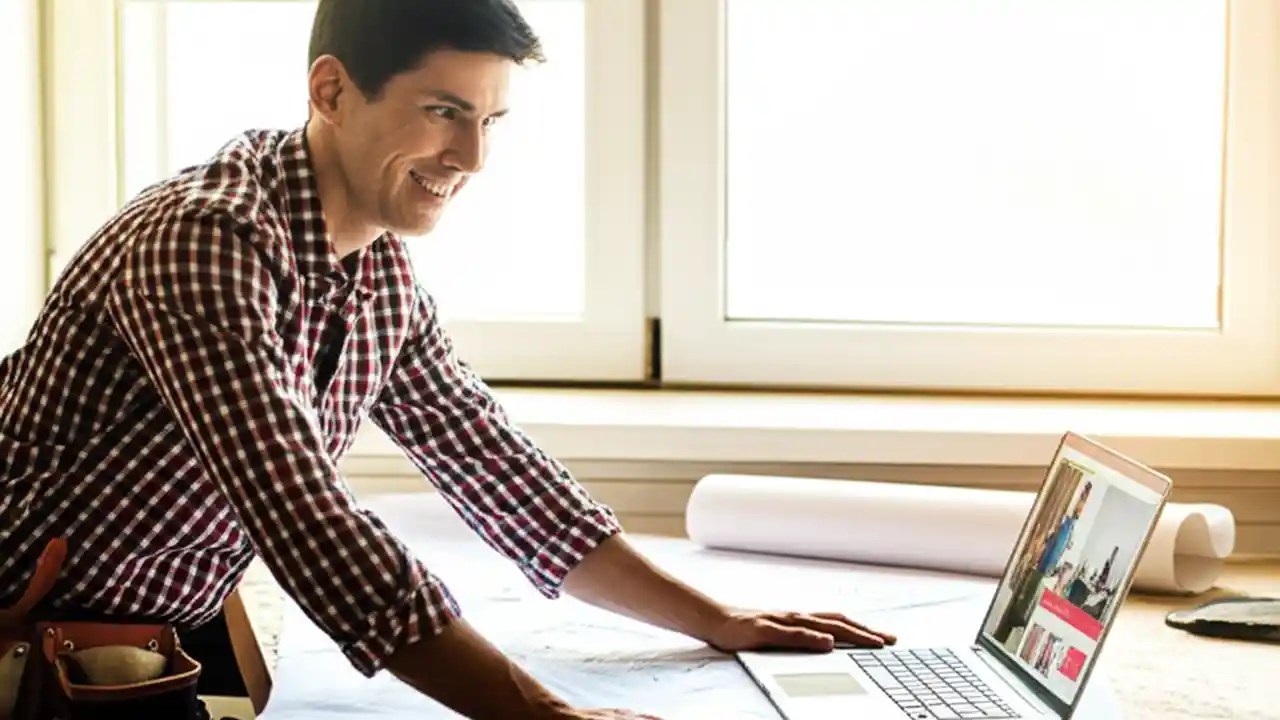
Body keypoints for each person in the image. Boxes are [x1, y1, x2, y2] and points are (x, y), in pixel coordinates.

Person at [0, 1, 895, 717]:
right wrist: (536, 713)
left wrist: (715, 618)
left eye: (491, 120)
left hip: (138, 644)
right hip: (30, 657)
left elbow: (497, 468)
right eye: (443, 113)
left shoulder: (376, 268)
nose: (471, 157)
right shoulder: (207, 241)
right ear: (330, 90)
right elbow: (307, 522)